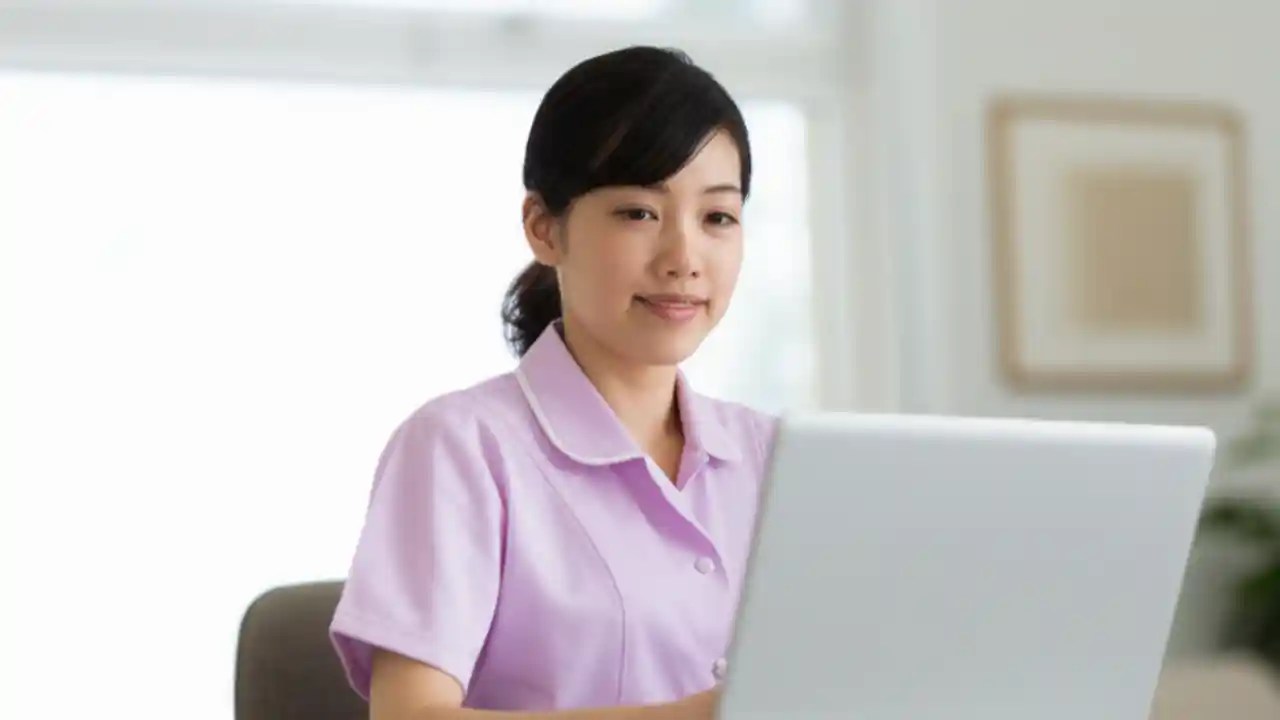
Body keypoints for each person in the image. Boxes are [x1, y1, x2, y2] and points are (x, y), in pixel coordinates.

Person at [329, 45, 776, 720]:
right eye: (638, 213)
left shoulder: (778, 457)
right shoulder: (461, 447)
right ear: (544, 228)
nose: (684, 258)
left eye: (717, 217)